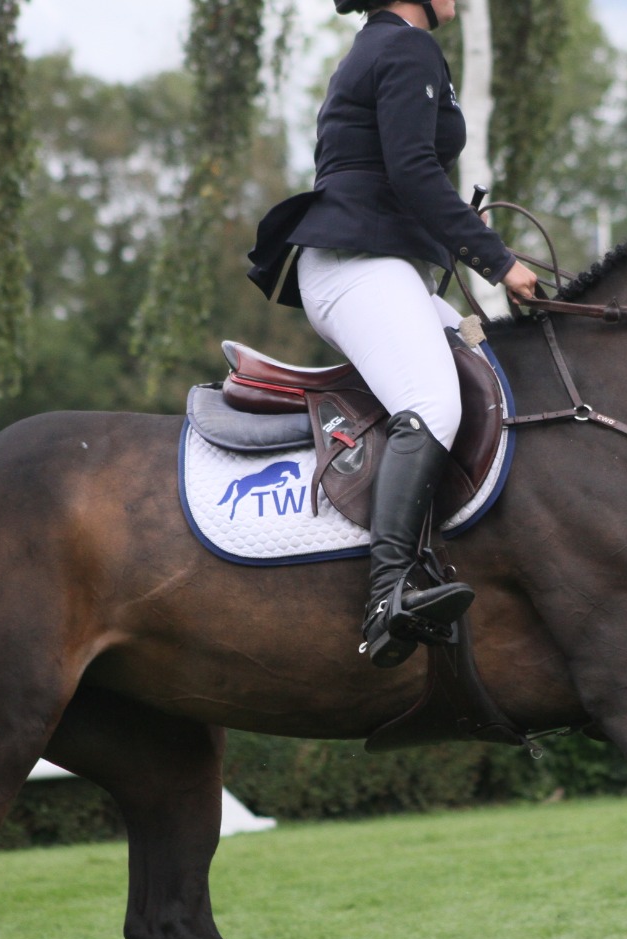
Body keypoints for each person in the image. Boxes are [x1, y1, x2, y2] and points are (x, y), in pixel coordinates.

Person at [248, 0, 540, 668]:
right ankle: (388, 597)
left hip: (381, 265)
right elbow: (412, 172)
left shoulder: (385, 47)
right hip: (356, 267)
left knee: (487, 371)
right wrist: (499, 260)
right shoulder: (405, 48)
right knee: (434, 402)